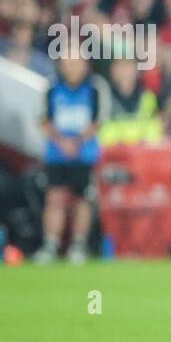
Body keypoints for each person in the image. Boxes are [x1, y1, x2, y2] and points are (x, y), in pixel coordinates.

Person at [37, 56, 101, 264]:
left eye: (77, 63)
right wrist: (62, 142)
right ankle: (50, 244)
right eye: (68, 63)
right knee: (55, 198)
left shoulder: (94, 90)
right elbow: (44, 120)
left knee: (83, 200)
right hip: (57, 155)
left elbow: (98, 121)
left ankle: (79, 245)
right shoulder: (52, 89)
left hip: (84, 156)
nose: (72, 68)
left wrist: (78, 142)